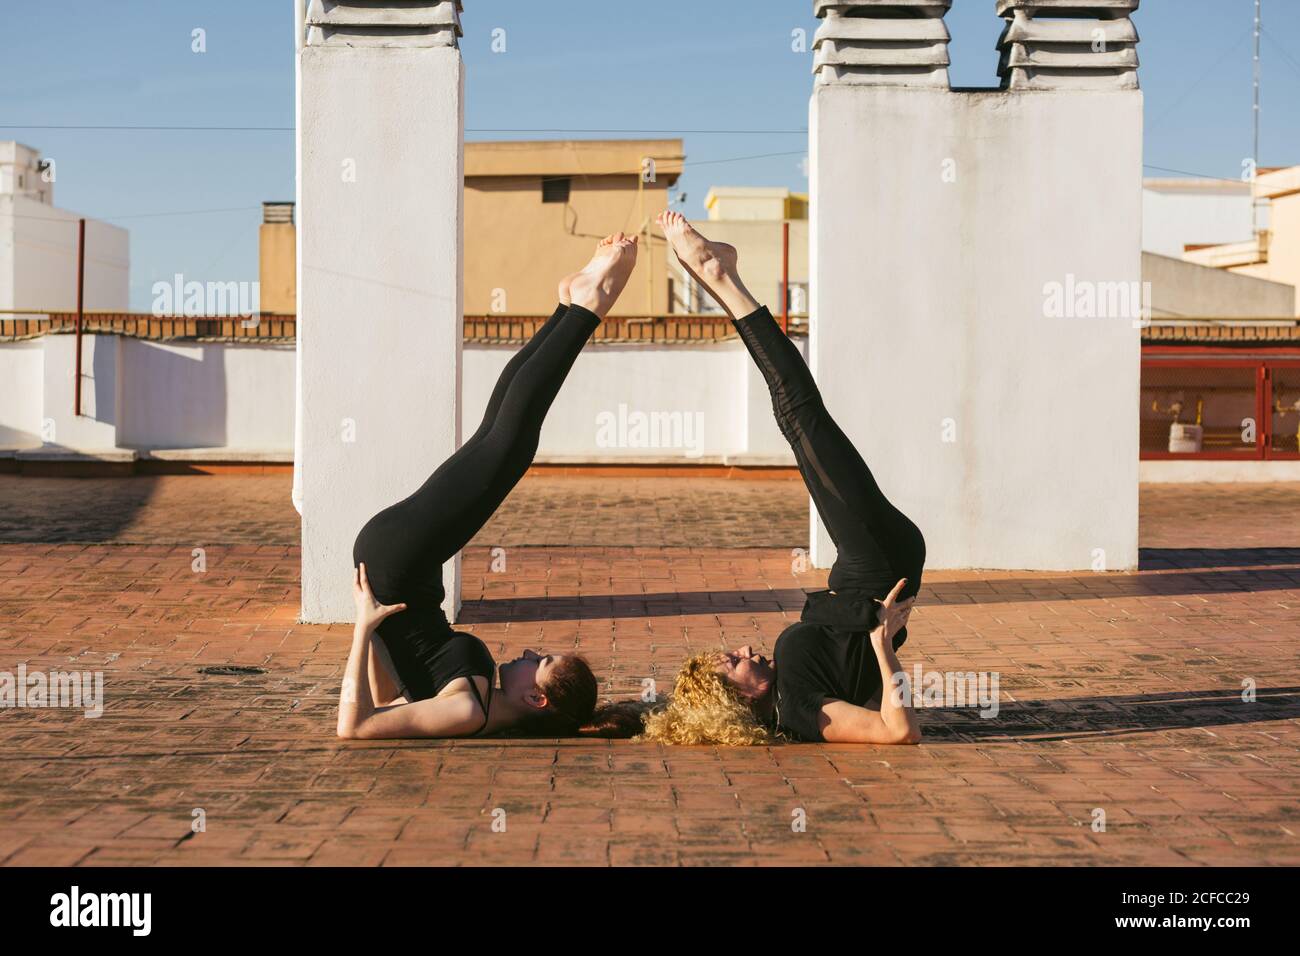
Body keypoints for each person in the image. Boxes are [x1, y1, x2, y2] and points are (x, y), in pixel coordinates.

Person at [337, 234, 639, 739]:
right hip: (405, 565)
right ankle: (569, 308)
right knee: (496, 441)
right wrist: (378, 635)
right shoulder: (477, 692)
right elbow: (389, 691)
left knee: (504, 448)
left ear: (535, 698)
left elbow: (357, 725)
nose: (527, 651)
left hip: (400, 561)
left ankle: (585, 308)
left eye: (540, 660)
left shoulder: (467, 712)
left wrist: (363, 628)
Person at [641, 212, 925, 745]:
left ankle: (721, 277)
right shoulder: (797, 709)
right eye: (733, 663)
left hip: (870, 562)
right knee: (799, 415)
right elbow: (898, 733)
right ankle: (720, 274)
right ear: (739, 697)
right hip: (877, 562)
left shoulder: (793, 696)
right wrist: (884, 645)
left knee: (798, 419)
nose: (745, 650)